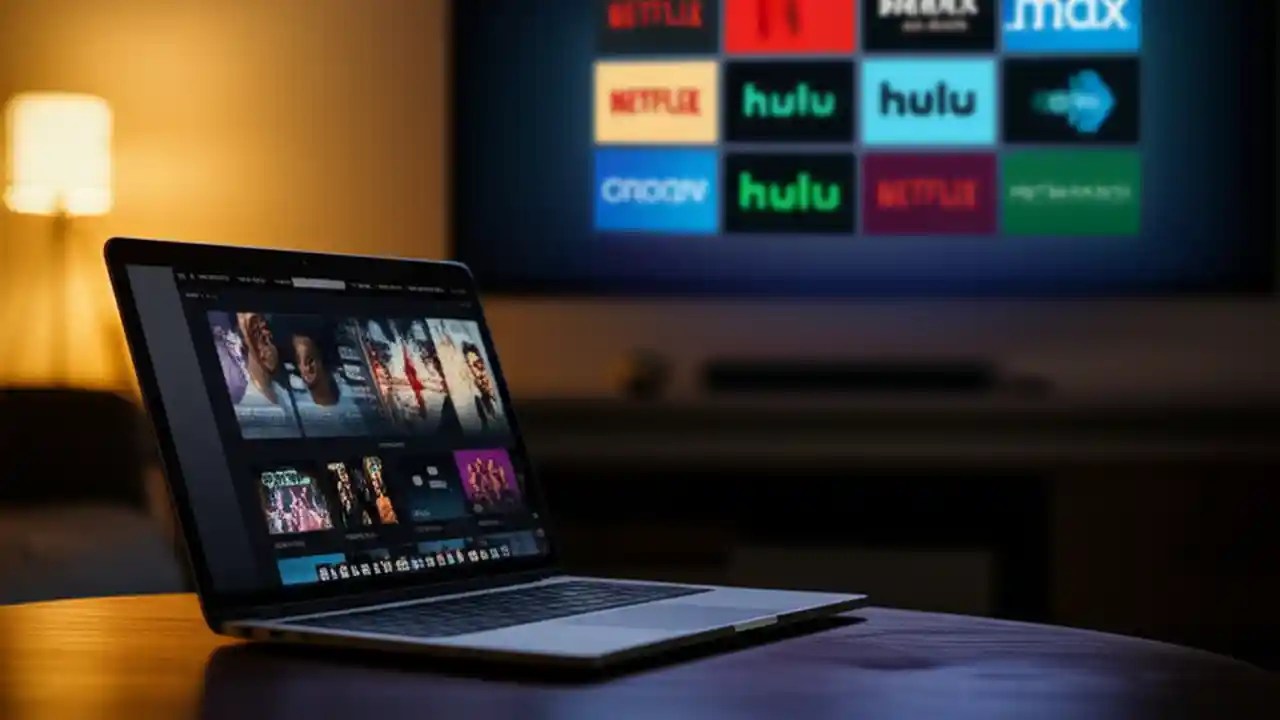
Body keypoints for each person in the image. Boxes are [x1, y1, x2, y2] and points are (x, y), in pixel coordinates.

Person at [234, 313, 299, 432]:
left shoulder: (284, 390)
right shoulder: (244, 400)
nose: (267, 347)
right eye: (257, 334)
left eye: (269, 338)